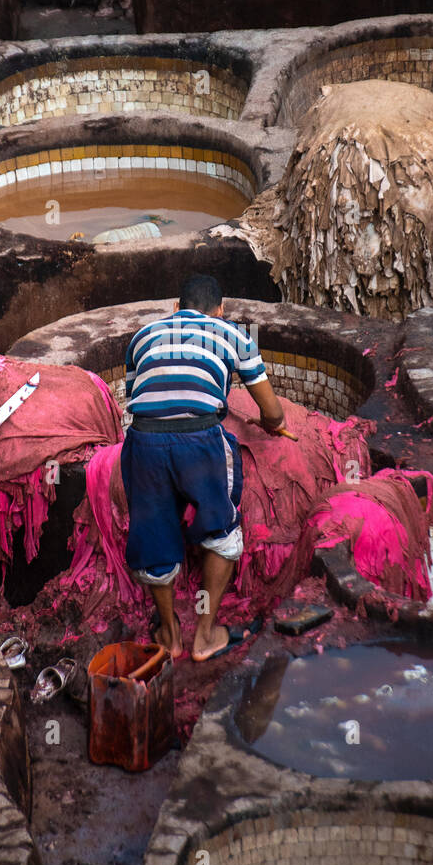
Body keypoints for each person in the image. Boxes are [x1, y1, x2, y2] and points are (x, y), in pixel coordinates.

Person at [121, 274, 286, 662]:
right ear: (221, 310)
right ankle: (205, 636)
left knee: (154, 535)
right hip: (200, 439)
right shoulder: (235, 335)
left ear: (175, 309)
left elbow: (141, 397)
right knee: (222, 527)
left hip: (143, 442)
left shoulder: (143, 336)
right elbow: (273, 411)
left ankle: (170, 634)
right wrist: (272, 424)